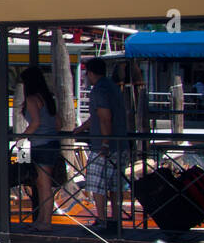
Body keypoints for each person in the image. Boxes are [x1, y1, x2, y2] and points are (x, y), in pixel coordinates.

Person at [72, 57, 128, 232]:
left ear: (89, 72)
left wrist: (104, 143)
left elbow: (105, 117)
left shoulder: (98, 90)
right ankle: (116, 220)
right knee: (115, 186)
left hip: (104, 147)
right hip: (121, 143)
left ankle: (102, 219)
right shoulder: (113, 87)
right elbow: (98, 117)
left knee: (97, 185)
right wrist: (81, 128)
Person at [20, 66, 63, 230]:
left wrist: (21, 136)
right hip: (52, 143)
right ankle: (43, 220)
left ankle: (45, 222)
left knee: (43, 185)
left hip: (41, 145)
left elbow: (35, 123)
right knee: (44, 185)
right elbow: (59, 124)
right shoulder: (48, 98)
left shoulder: (32, 99)